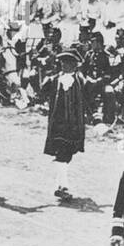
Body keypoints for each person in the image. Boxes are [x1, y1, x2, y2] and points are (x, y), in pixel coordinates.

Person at [44, 50, 86, 199]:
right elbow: (42, 92)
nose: (64, 65)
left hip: (73, 125)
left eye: (68, 63)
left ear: (74, 65)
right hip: (58, 123)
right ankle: (63, 186)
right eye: (63, 62)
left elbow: (86, 100)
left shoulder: (79, 81)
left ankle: (59, 184)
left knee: (67, 155)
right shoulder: (55, 80)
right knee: (62, 153)